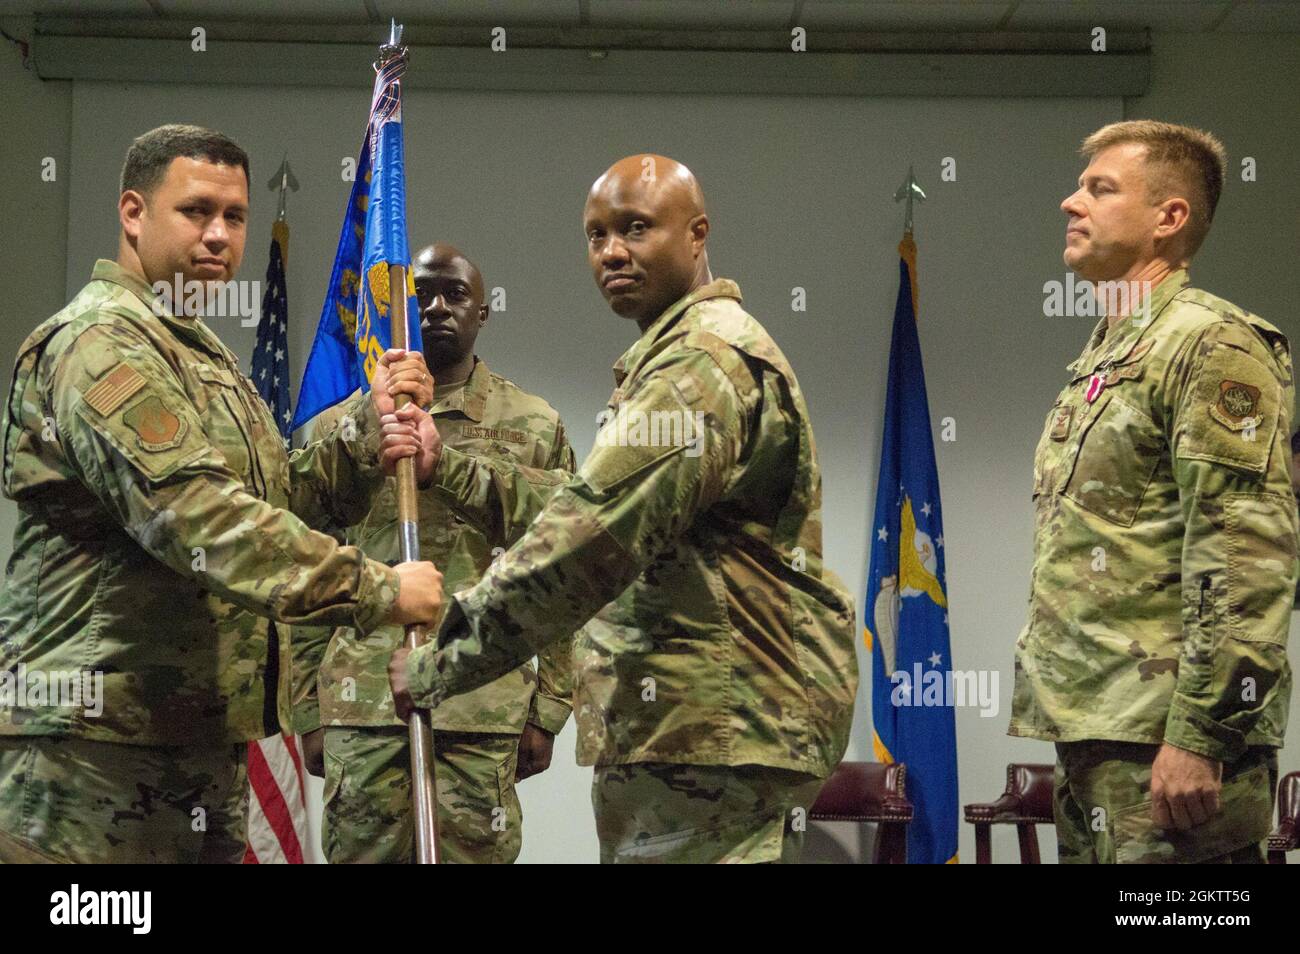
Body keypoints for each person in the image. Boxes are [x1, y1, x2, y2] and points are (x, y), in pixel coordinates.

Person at [382, 154, 859, 863]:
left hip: (712, 730)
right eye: (596, 234)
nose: (611, 252)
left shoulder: (699, 363)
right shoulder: (681, 354)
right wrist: (447, 468)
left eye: (636, 228)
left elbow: (593, 537)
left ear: (697, 234)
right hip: (701, 724)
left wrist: (441, 661)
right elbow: (601, 506)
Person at [0, 124, 441, 863]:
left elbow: (275, 501)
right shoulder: (97, 342)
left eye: (234, 217)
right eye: (196, 211)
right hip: (92, 753)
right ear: (133, 213)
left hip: (197, 741)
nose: (219, 235)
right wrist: (378, 590)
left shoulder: (201, 353)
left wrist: (369, 434)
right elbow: (196, 517)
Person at [1010, 120, 1295, 863]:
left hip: (1169, 746)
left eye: (1100, 189)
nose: (1071, 202)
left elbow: (1244, 558)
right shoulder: (1108, 355)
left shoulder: (1211, 343)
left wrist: (1202, 736)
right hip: (1098, 731)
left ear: (1169, 218)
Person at [294, 242, 577, 863]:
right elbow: (306, 563)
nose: (437, 307)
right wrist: (306, 707)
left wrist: (550, 706)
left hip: (481, 706)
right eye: (420, 294)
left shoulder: (533, 425)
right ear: (395, 308)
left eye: (456, 294)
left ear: (484, 311)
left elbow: (565, 564)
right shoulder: (344, 427)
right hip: (364, 709)